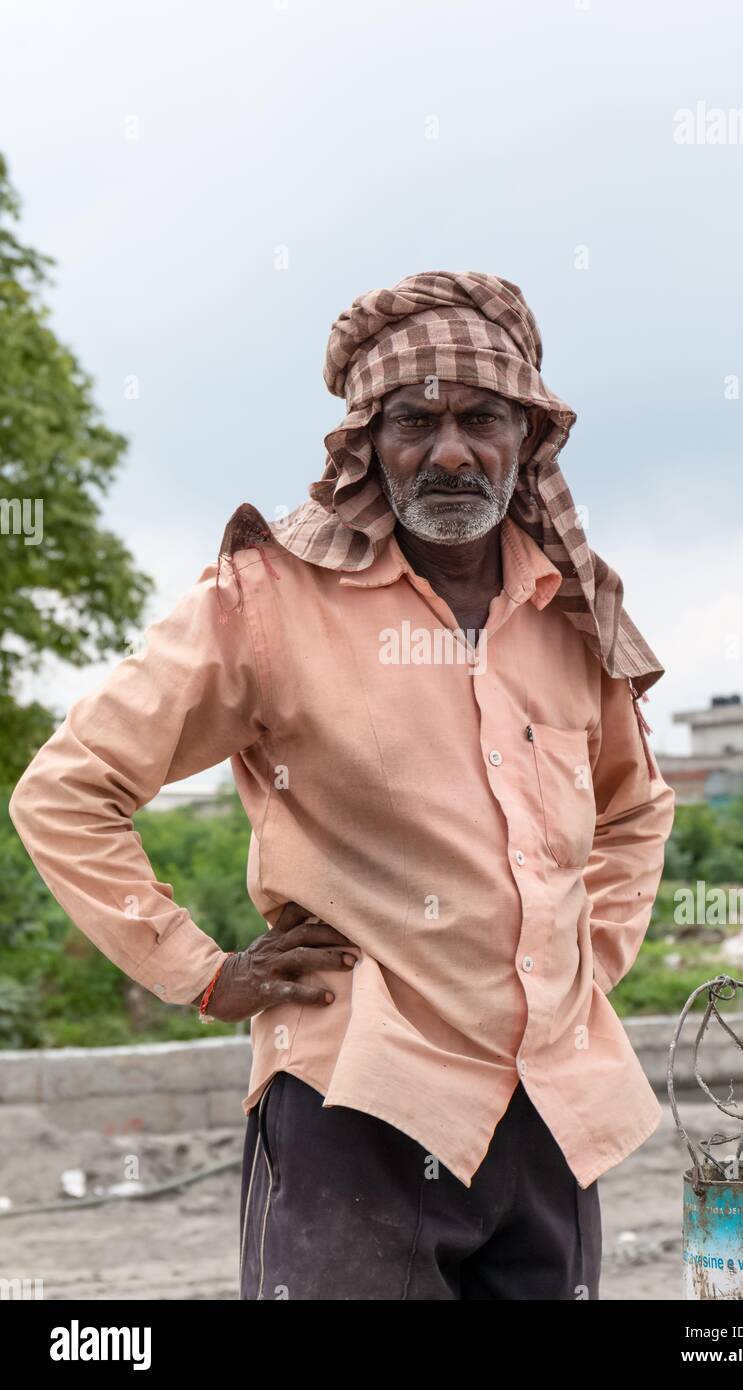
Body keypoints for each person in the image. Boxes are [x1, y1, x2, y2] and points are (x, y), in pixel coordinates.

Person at [10, 270, 676, 1300]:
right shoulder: (267, 602)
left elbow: (634, 808)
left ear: (527, 437)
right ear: (369, 442)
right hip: (356, 1107)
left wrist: (586, 960)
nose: (450, 452)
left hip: (551, 1108)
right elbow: (66, 789)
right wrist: (201, 969)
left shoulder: (566, 611)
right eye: (415, 420)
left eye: (481, 419)